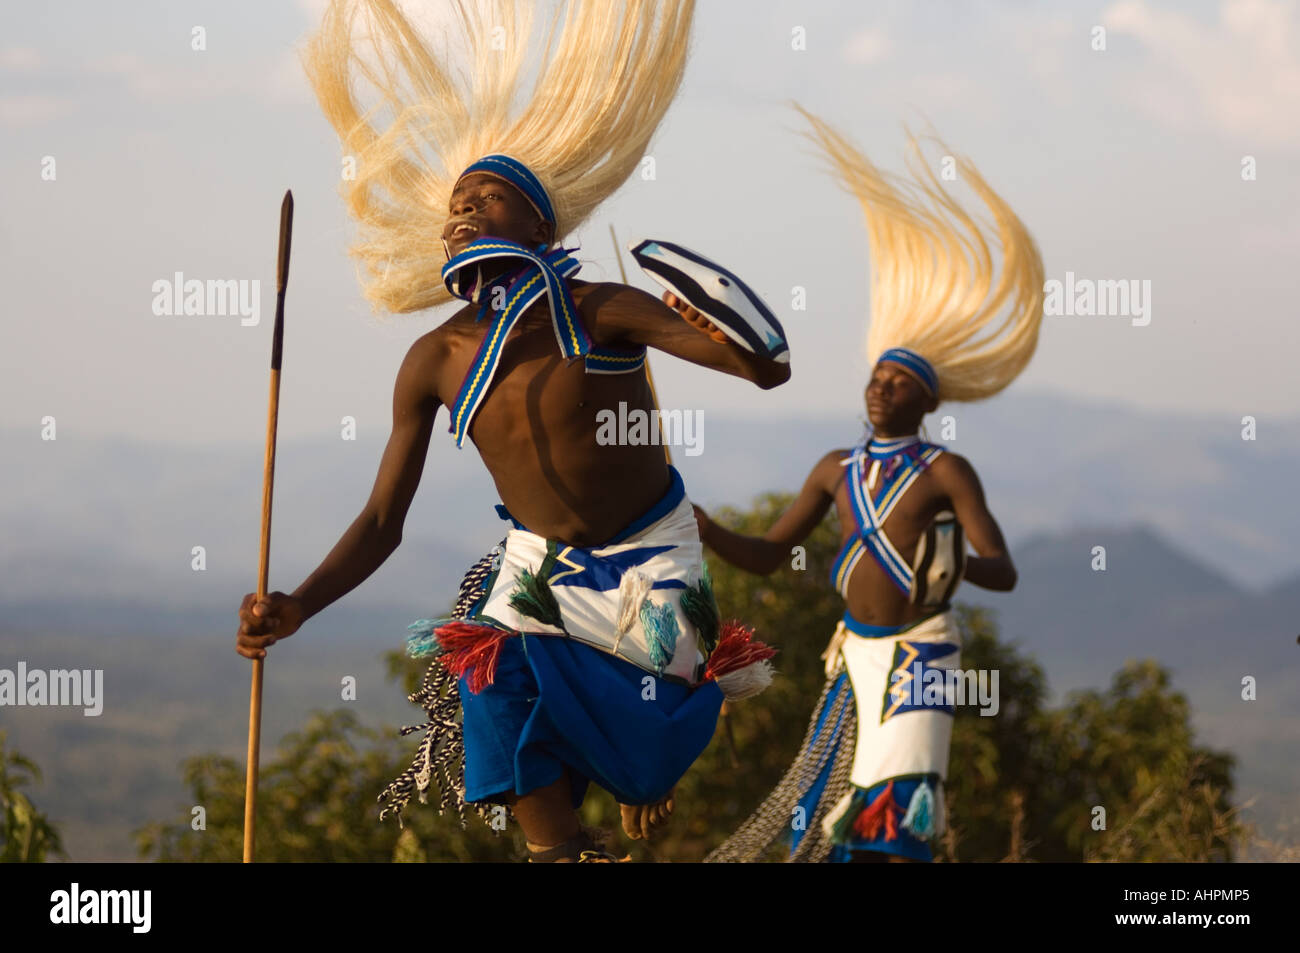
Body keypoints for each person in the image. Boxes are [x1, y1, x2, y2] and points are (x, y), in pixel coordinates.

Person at [234, 0, 786, 863]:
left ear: (540, 226)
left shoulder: (599, 308)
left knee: (639, 759)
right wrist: (298, 604)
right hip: (537, 566)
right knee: (492, 671)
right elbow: (385, 518)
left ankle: (619, 793)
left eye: (486, 196)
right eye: (456, 201)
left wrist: (718, 315)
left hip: (648, 558)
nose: (461, 209)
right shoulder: (435, 359)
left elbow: (760, 367)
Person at [702, 107, 1044, 863]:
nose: (882, 389)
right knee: (836, 800)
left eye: (899, 383)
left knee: (897, 807)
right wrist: (700, 525)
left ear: (928, 401)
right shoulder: (836, 467)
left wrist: (947, 571)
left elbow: (1004, 569)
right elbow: (766, 554)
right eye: (877, 377)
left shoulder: (945, 471)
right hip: (853, 651)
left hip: (921, 650)